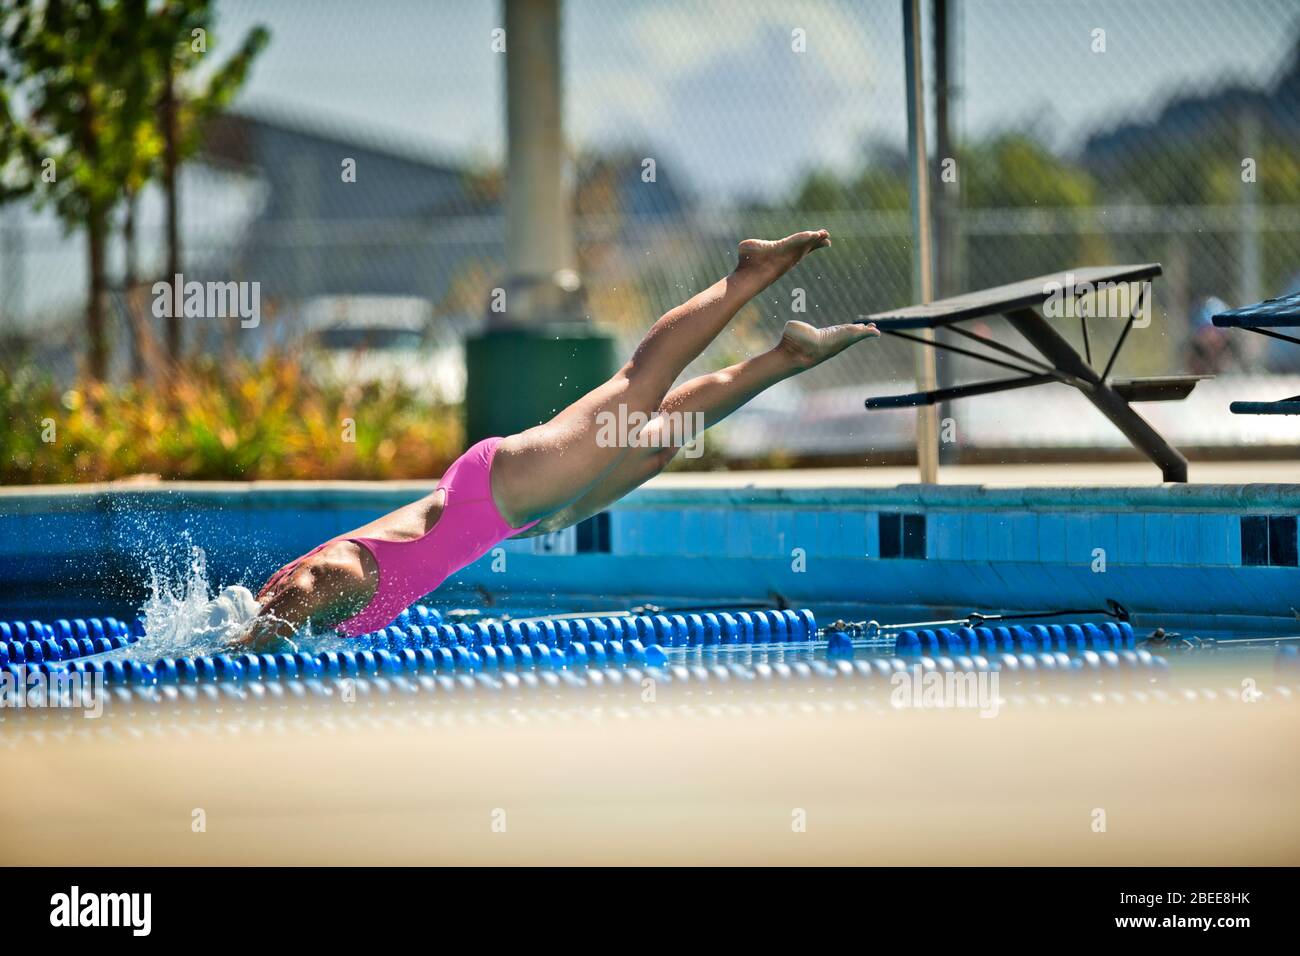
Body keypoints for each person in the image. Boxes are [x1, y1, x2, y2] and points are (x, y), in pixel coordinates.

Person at [238, 230, 877, 648]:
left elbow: (318, 577)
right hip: (508, 516)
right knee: (654, 443)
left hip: (495, 492)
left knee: (639, 388)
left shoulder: (318, 582)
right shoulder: (299, 597)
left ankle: (749, 273)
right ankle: (786, 357)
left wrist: (251, 652)